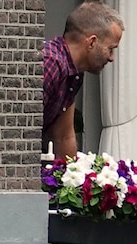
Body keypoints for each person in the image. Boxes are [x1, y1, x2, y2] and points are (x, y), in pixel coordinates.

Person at [43, 0, 124, 160]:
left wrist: (73, 179)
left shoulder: (73, 72)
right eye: (110, 48)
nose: (112, 58)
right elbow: (18, 127)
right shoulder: (50, 64)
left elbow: (64, 136)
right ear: (92, 42)